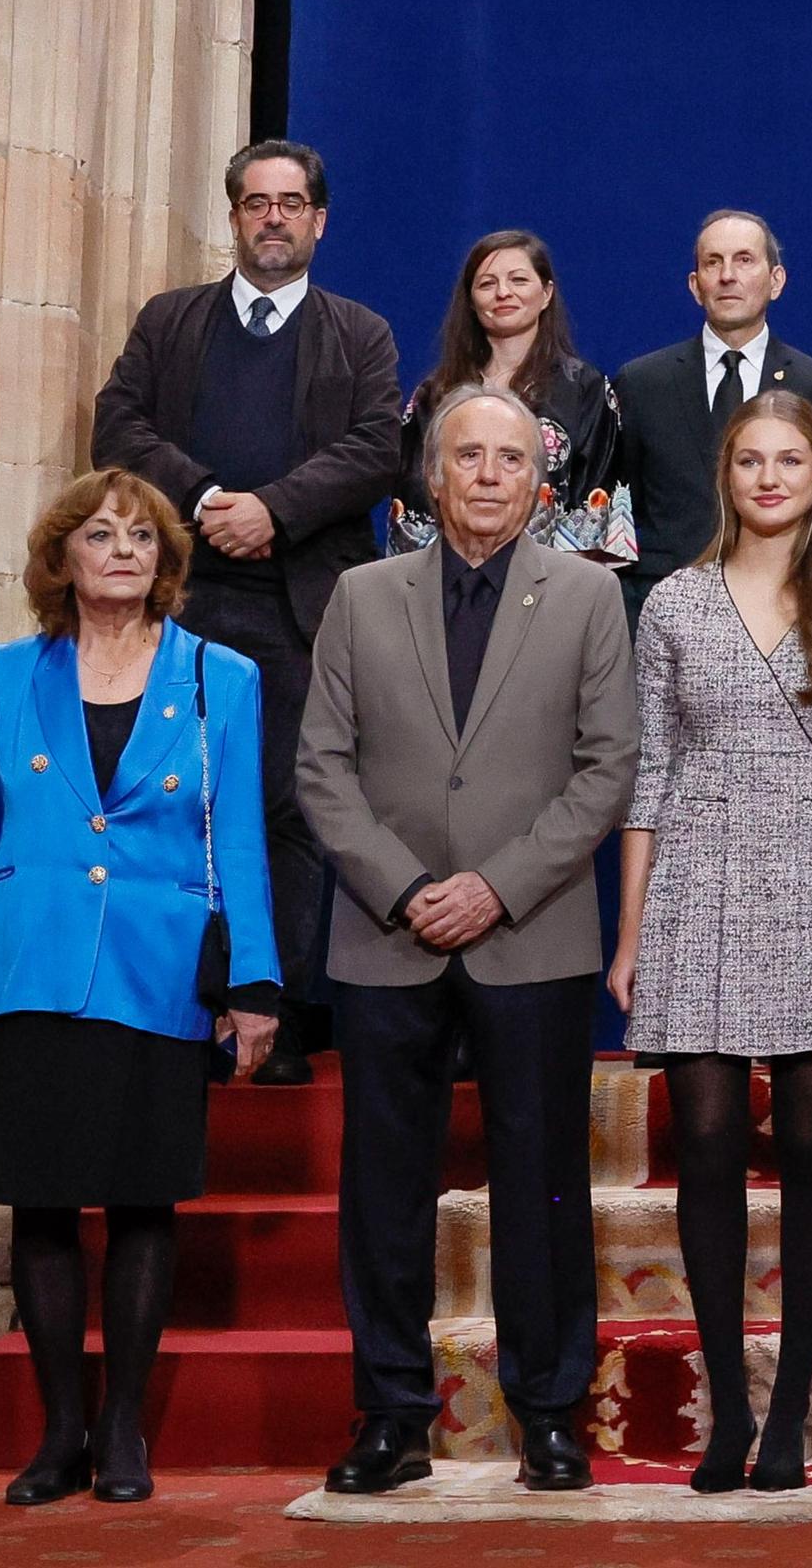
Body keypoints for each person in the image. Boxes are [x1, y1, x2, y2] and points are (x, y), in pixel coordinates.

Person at [293, 386, 637, 1496]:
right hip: (387, 941)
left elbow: (607, 769)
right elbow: (321, 770)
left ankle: (548, 1409)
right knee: (382, 1190)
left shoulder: (587, 594)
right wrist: (405, 889)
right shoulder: (360, 594)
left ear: (541, 480)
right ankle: (391, 1414)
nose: (486, 474)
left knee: (543, 1184)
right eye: (465, 456)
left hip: (530, 934)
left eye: (507, 457)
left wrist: (493, 885)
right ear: (430, 477)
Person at [0, 471, 281, 1506]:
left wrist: (254, 982)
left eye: (140, 535)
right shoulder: (7, 673)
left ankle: (123, 1424)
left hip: (157, 966)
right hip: (31, 963)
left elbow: (245, 838)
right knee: (39, 1201)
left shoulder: (222, 676)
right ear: (63, 556)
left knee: (140, 1201)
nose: (121, 548)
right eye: (98, 533)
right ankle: (58, 1430)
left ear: (165, 560)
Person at [607, 391, 812, 1493]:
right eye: (749, 459)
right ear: (724, 473)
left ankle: (790, 1415)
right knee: (711, 1146)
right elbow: (649, 775)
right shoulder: (674, 603)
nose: (769, 476)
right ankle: (728, 1408)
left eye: (789, 459)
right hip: (698, 878)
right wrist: (632, 928)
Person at [94, 138, 404, 1083]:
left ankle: (277, 1009)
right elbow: (119, 424)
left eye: (291, 202)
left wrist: (275, 509)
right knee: (171, 804)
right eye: (256, 202)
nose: (273, 217)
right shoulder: (170, 320)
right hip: (178, 604)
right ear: (232, 217)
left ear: (319, 220)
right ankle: (174, 1006)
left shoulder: (361, 334)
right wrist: (208, 500)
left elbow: (376, 448)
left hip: (306, 615)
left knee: (291, 812)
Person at [616, 210, 812, 615]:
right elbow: (627, 508)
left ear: (776, 281)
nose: (727, 275)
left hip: (787, 606)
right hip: (664, 607)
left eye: (744, 260)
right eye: (713, 262)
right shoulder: (643, 383)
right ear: (696, 286)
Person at [391, 228, 633, 566]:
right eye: (487, 284)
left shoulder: (584, 389)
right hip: (447, 586)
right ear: (471, 301)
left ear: (546, 293)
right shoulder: (433, 395)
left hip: (554, 588)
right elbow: (413, 502)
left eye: (518, 280)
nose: (503, 293)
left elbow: (598, 505)